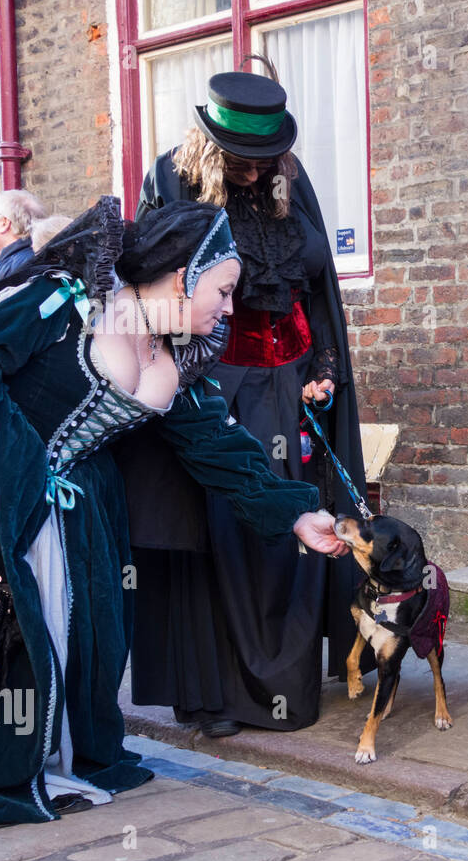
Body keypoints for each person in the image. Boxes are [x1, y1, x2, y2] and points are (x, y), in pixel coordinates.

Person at [0, 198, 347, 828]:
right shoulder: (66, 300)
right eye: (224, 290)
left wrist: (294, 515)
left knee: (87, 638)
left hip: (81, 509)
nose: (229, 309)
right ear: (184, 274)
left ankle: (65, 760)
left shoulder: (176, 354)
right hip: (0, 499)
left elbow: (217, 446)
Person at [123, 67, 366, 738]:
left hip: (287, 381)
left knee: (288, 517)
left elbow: (315, 284)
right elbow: (156, 295)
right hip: (211, 381)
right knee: (219, 522)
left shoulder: (290, 179)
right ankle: (217, 694)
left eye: (267, 162)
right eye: (243, 163)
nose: (257, 176)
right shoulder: (170, 180)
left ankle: (284, 685)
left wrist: (323, 365)